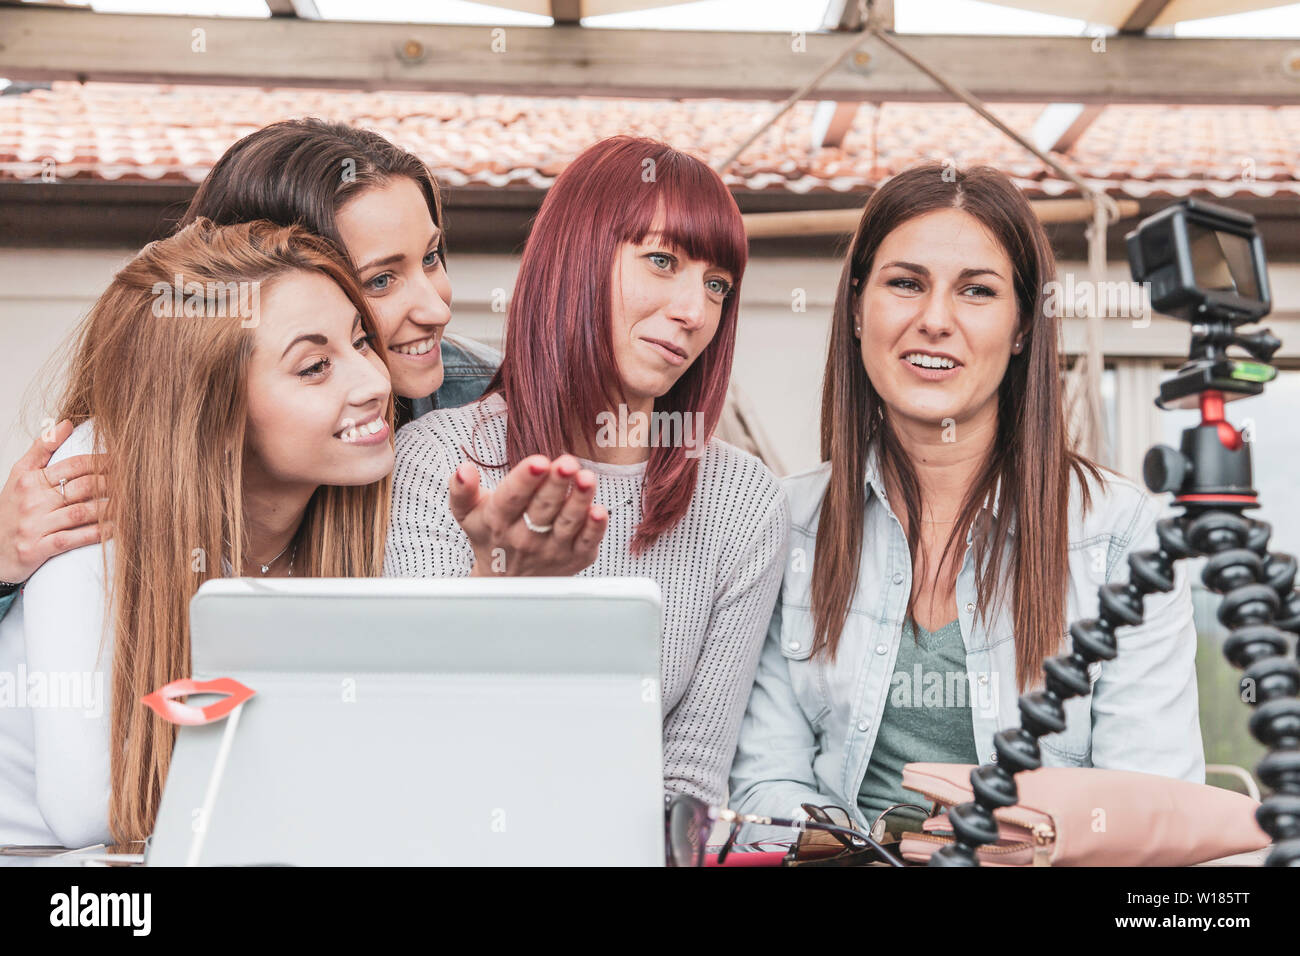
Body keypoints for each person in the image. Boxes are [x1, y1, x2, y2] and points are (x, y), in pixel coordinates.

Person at [728, 164, 1204, 842]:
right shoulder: (788, 521)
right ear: (858, 309)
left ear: (1020, 329)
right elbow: (764, 785)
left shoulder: (1120, 535)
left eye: (976, 291)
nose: (934, 321)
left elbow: (1155, 807)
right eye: (905, 283)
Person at [0, 119, 599, 617]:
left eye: (433, 256)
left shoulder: (481, 397)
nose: (437, 305)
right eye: (382, 279)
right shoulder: (123, 469)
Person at [386, 136, 790, 805]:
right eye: (662, 261)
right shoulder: (435, 460)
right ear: (576, 259)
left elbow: (688, 782)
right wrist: (499, 588)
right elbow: (419, 737)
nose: (695, 311)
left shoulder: (744, 501)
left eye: (717, 285)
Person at [0, 218, 394, 848]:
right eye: (316, 366)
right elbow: (87, 809)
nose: (375, 383)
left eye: (361, 343)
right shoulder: (95, 487)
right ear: (211, 408)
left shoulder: (362, 505)